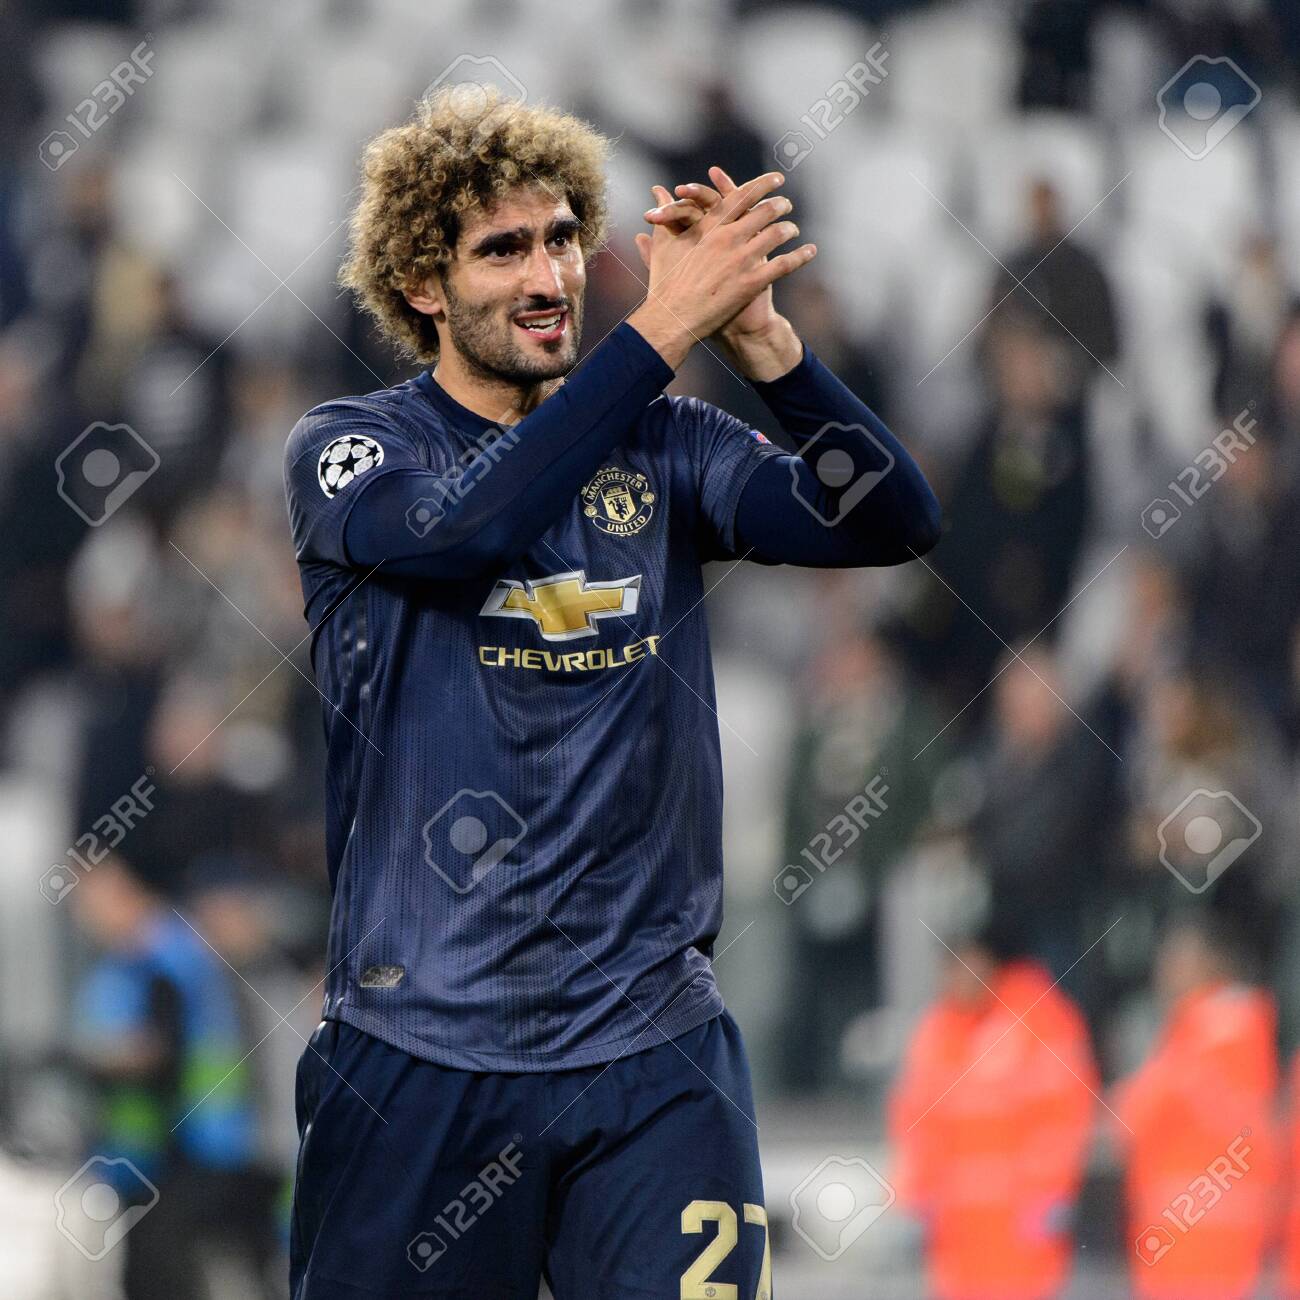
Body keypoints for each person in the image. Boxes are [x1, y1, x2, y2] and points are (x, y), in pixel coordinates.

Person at [281, 86, 939, 1298]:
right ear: (422, 285)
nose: (548, 277)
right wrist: (659, 332)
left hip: (651, 1053)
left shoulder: (670, 446)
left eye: (561, 240)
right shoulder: (352, 447)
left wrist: (770, 354)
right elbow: (463, 532)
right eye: (502, 250)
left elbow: (893, 521)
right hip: (419, 1048)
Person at [68, 855, 259, 1300]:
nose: (82, 916)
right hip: (146, 1155)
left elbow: (162, 1052)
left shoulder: (162, 958)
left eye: (87, 900)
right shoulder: (134, 959)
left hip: (183, 1152)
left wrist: (93, 1059)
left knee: (164, 1277)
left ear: (121, 888)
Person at [888, 919, 1097, 1300]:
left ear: (990, 963)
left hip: (1019, 1223)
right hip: (957, 1230)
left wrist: (1051, 1191)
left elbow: (1066, 1113)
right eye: (949, 968)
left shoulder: (1041, 1019)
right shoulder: (938, 1030)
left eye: (965, 964)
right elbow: (916, 1119)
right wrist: (916, 1191)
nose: (956, 979)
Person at [1113, 916, 1279, 1300]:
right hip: (1185, 1227)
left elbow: (1141, 1110)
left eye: (1177, 958)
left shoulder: (1221, 1026)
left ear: (1211, 962)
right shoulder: (1200, 1026)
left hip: (1203, 1230)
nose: (1165, 969)